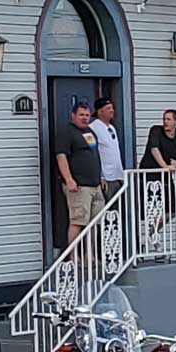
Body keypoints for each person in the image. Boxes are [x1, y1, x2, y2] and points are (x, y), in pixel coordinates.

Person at [55, 99, 103, 247]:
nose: (85, 118)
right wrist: (68, 179)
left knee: (94, 222)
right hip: (79, 186)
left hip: (95, 185)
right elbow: (61, 156)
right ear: (73, 116)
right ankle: (74, 258)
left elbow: (94, 154)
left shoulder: (89, 132)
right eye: (81, 115)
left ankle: (90, 255)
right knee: (78, 221)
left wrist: (101, 177)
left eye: (87, 115)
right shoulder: (67, 132)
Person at [144, 109, 176, 222]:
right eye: (164, 119)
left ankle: (154, 230)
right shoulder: (156, 130)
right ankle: (147, 231)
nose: (165, 122)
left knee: (173, 206)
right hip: (147, 176)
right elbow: (154, 150)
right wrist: (165, 167)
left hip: (165, 178)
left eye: (168, 119)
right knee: (147, 207)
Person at [92, 96, 126, 201]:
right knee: (108, 208)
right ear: (100, 111)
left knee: (118, 208)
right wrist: (100, 176)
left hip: (117, 175)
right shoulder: (93, 128)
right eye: (108, 108)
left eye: (112, 108)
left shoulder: (112, 128)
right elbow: (94, 153)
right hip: (106, 177)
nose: (112, 111)